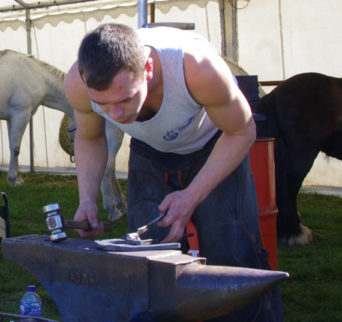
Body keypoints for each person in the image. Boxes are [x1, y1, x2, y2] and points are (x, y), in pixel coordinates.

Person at [63, 23, 282, 321]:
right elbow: (89, 137)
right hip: (150, 151)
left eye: (126, 99)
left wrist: (191, 196)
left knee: (233, 257)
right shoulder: (78, 82)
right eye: (103, 104)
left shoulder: (197, 67)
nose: (117, 116)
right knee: (146, 261)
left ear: (148, 70)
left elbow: (243, 131)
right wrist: (87, 199)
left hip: (216, 144)